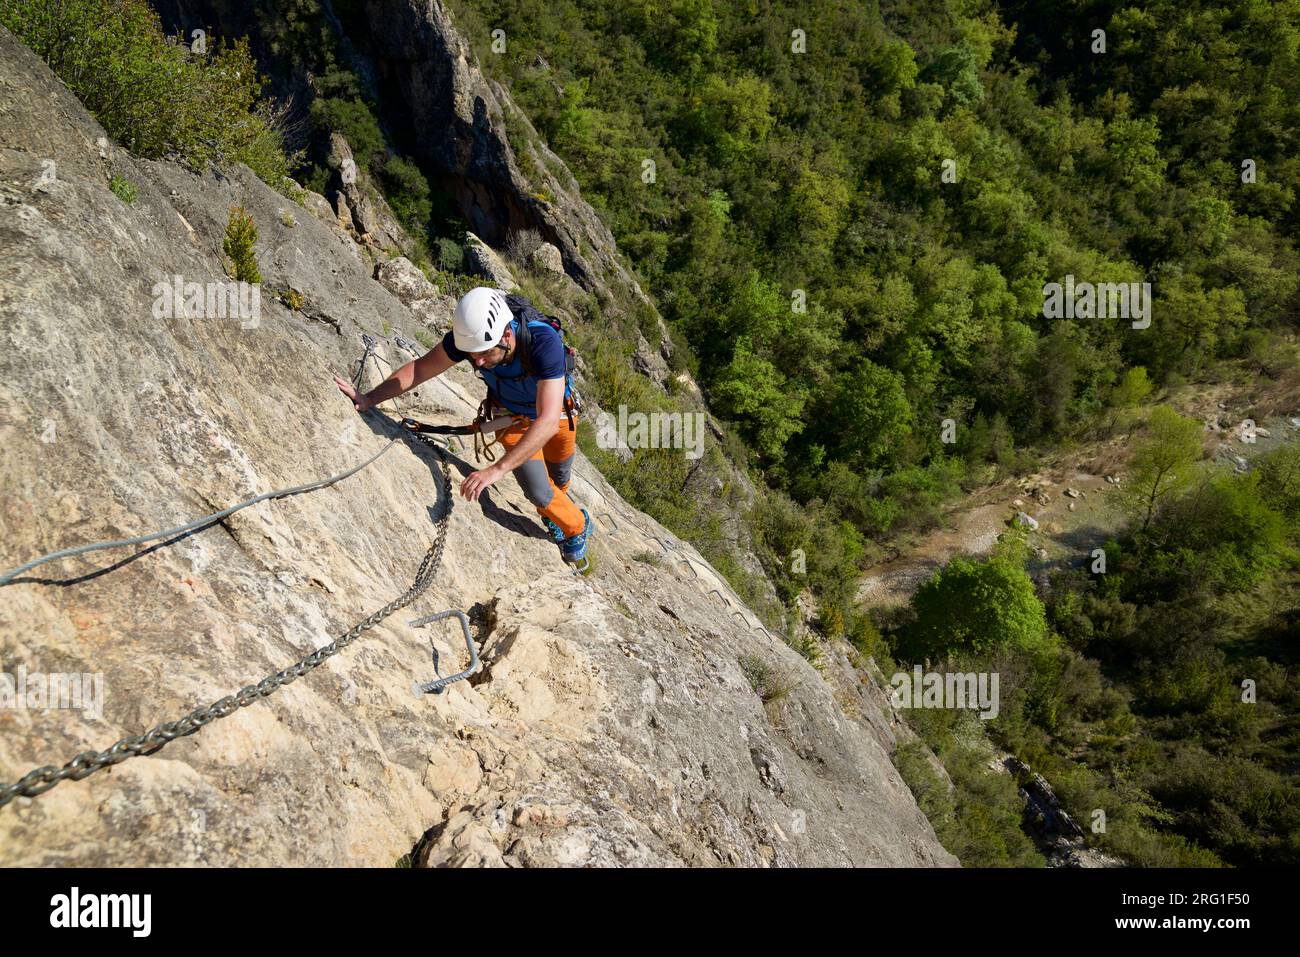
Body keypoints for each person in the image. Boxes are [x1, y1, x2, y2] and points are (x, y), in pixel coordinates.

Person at [333, 287, 593, 568]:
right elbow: (420, 370)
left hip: (557, 414)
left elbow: (548, 421)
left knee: (559, 476)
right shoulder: (470, 340)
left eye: (484, 354)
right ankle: (576, 526)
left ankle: (556, 511)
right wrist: (370, 398)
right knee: (539, 491)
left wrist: (496, 470)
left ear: (506, 335)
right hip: (513, 418)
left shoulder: (543, 342)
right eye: (473, 355)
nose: (478, 362)